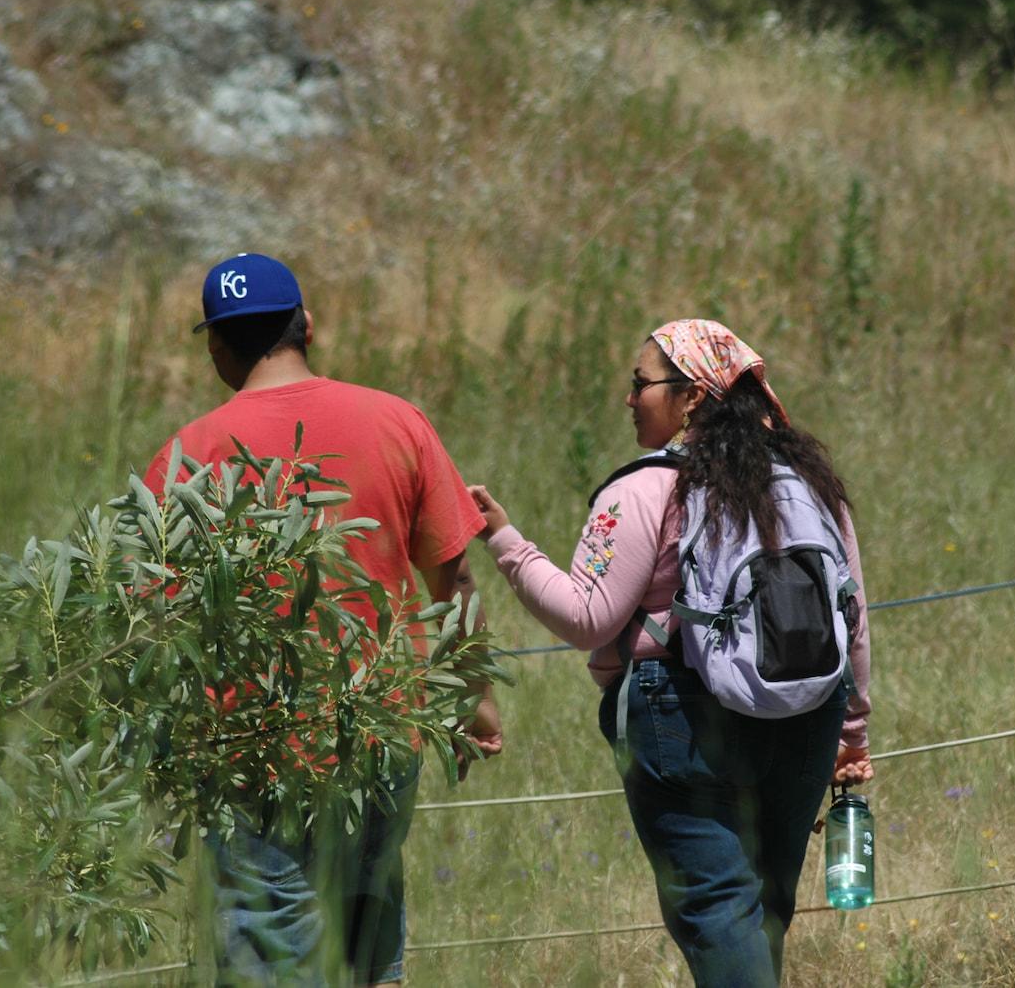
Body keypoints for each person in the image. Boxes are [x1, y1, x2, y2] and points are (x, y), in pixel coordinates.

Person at [470, 318, 872, 987]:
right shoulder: (809, 480)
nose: (629, 399)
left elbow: (585, 615)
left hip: (681, 715)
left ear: (691, 398)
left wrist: (508, 542)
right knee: (763, 906)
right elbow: (852, 615)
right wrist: (852, 730)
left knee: (718, 907)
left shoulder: (642, 488)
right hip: (809, 711)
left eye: (640, 384)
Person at [141, 252, 502, 987]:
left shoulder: (185, 457)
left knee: (271, 947)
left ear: (217, 346)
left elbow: (157, 624)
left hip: (253, 750)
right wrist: (474, 697)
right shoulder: (398, 420)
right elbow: (454, 575)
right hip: (381, 730)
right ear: (308, 324)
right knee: (367, 928)